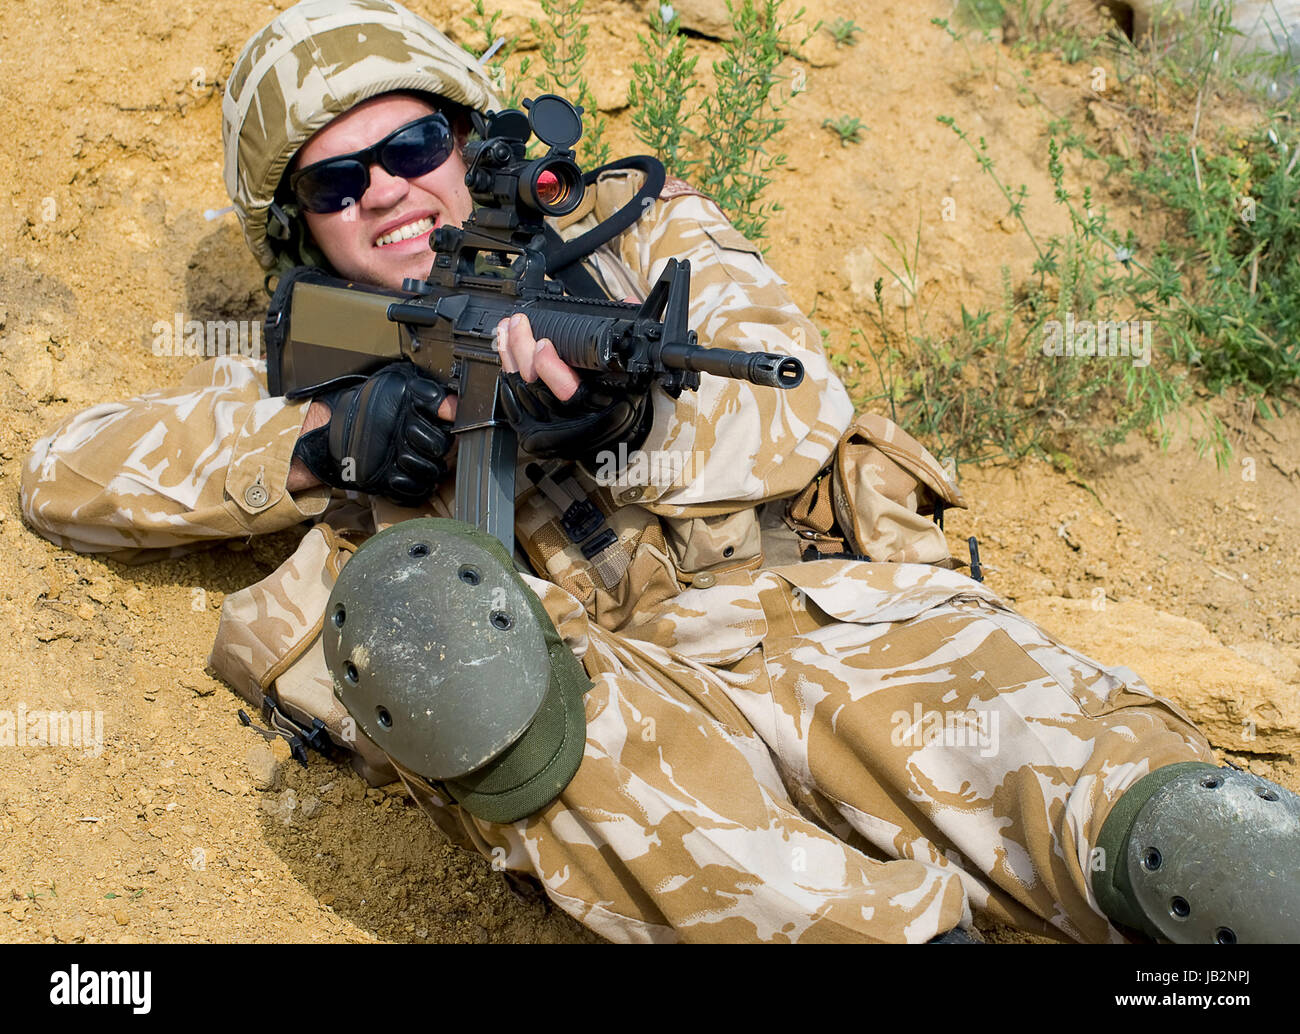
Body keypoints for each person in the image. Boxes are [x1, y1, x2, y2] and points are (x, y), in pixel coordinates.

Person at [20, 0, 1300, 944]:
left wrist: (612, 414)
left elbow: (794, 396)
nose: (390, 195)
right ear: (300, 222)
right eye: (340, 180)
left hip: (828, 622)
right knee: (451, 655)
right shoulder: (322, 351)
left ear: (469, 142)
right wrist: (329, 442)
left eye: (411, 150)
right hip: (599, 705)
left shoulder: (638, 234)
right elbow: (62, 474)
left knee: (1202, 858)